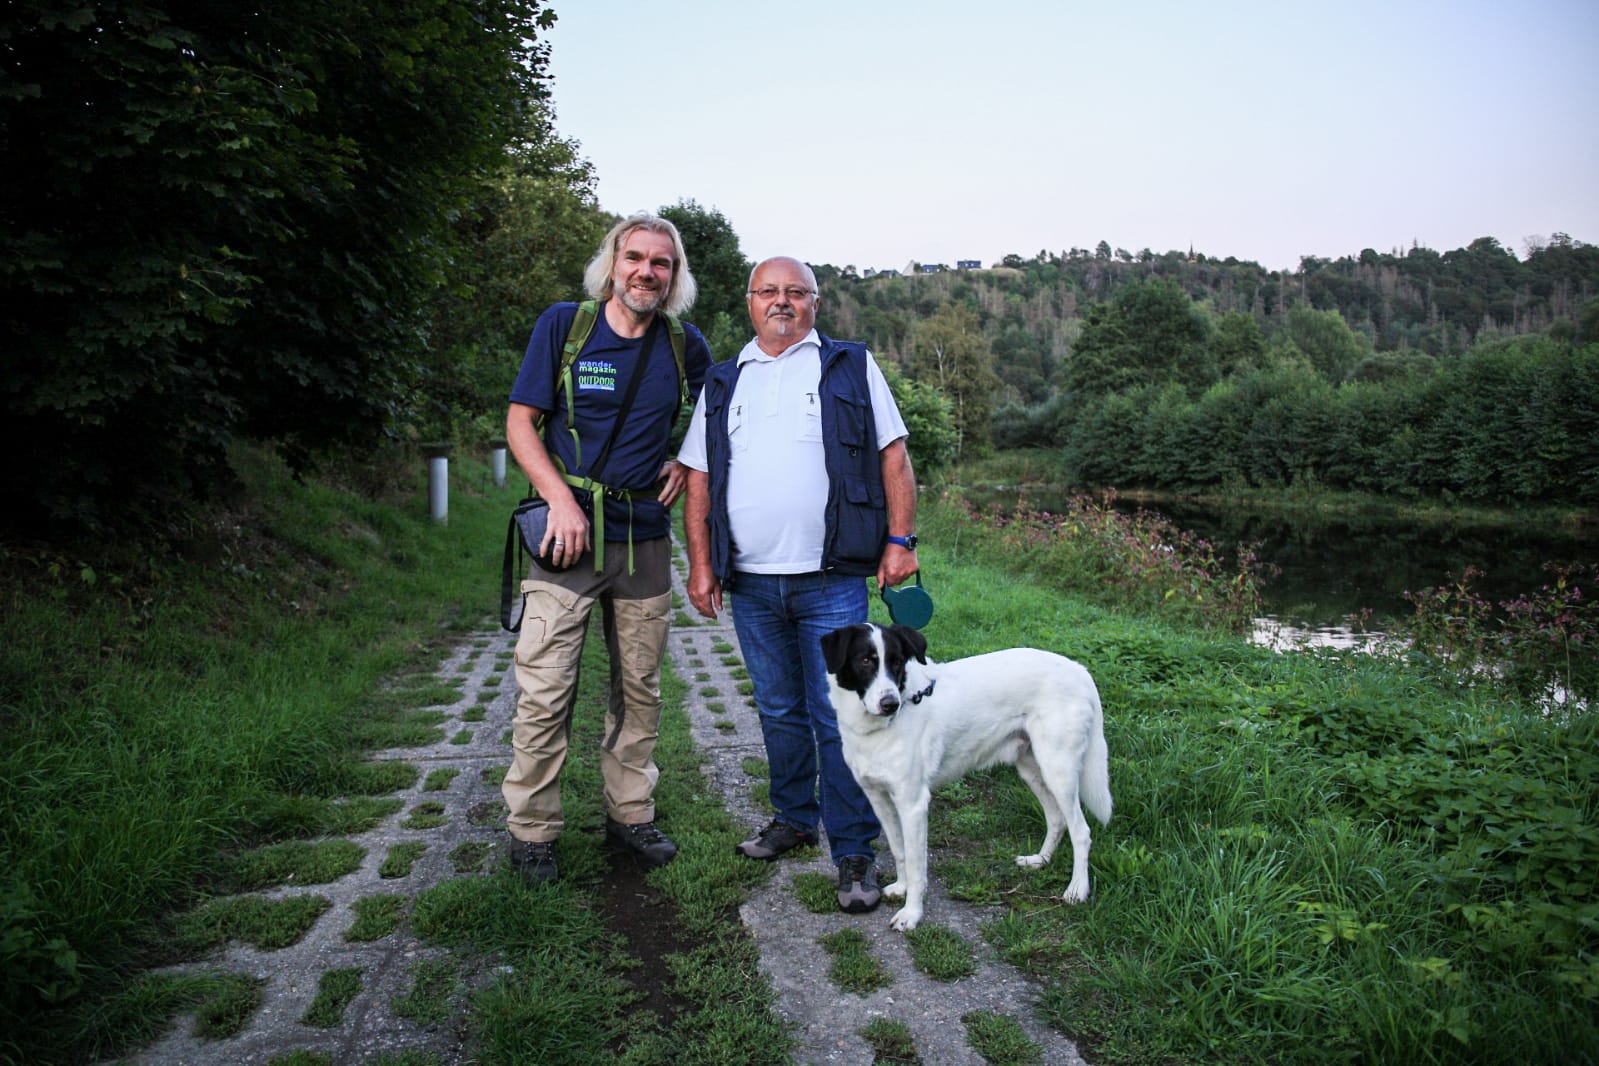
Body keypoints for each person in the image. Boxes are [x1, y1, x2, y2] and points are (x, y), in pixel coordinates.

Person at [678, 256, 920, 913]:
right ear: (750, 302)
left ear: (815, 302)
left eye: (795, 292)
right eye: (768, 291)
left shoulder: (849, 365)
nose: (781, 301)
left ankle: (854, 849)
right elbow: (699, 477)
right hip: (752, 582)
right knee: (778, 708)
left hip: (831, 577)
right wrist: (700, 564)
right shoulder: (724, 379)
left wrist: (900, 542)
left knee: (838, 714)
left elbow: (893, 454)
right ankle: (792, 817)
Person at [502, 213, 711, 885]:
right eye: (635, 258)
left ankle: (630, 815)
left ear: (674, 277)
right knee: (545, 689)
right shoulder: (566, 327)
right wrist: (560, 500)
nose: (647, 271)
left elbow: (716, 418)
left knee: (639, 689)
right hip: (565, 539)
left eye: (661, 263)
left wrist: (685, 457)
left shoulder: (684, 345)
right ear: (612, 265)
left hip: (644, 537)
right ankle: (532, 830)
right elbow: (520, 422)